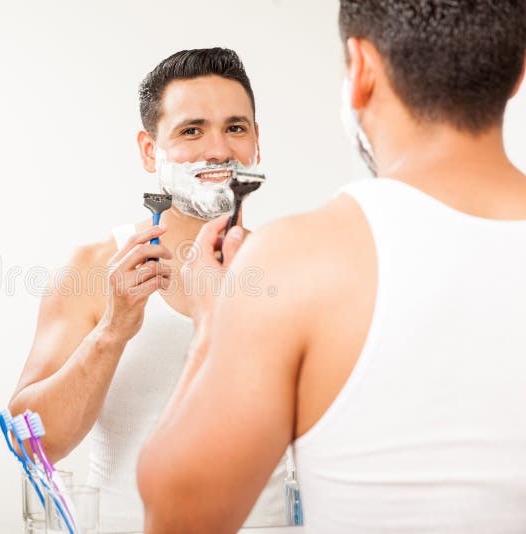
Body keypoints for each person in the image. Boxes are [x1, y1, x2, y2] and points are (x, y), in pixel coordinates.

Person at [137, 2, 526, 533]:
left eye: (235, 127)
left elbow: (178, 515)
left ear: (360, 69)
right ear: (518, 71)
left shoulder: (294, 259)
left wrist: (212, 324)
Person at [9, 48, 288, 528]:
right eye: (191, 130)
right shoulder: (93, 268)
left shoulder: (295, 268)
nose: (218, 149)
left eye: (235, 128)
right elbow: (32, 441)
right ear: (147, 150)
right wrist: (112, 331)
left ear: (256, 143)